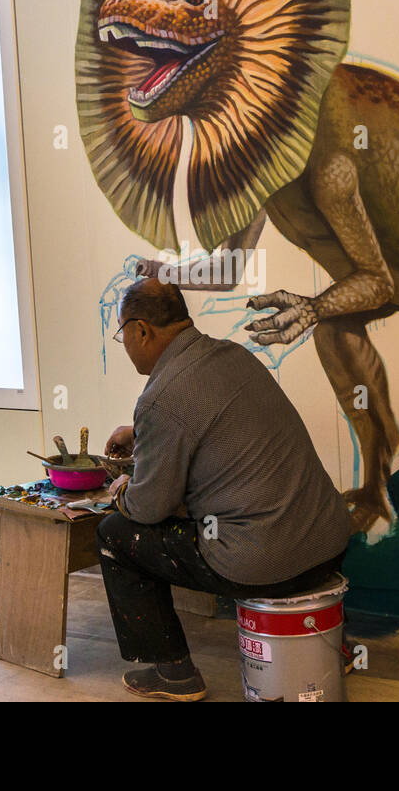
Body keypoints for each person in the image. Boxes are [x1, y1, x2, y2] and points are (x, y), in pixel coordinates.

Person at [97, 277, 353, 700]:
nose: (124, 343)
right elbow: (212, 433)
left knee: (115, 535)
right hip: (327, 542)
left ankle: (174, 674)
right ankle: (326, 651)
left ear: (141, 330)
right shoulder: (234, 356)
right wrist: (141, 436)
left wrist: (122, 487)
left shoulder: (161, 397)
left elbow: (148, 508)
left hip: (264, 564)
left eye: (122, 332)